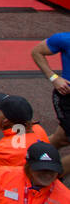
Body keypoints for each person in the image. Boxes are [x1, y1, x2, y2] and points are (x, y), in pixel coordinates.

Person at [29, 32, 70, 166]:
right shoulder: (65, 39)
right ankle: (51, 178)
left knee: (61, 138)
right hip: (67, 97)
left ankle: (28, 159)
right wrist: (53, 77)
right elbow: (37, 51)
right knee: (63, 138)